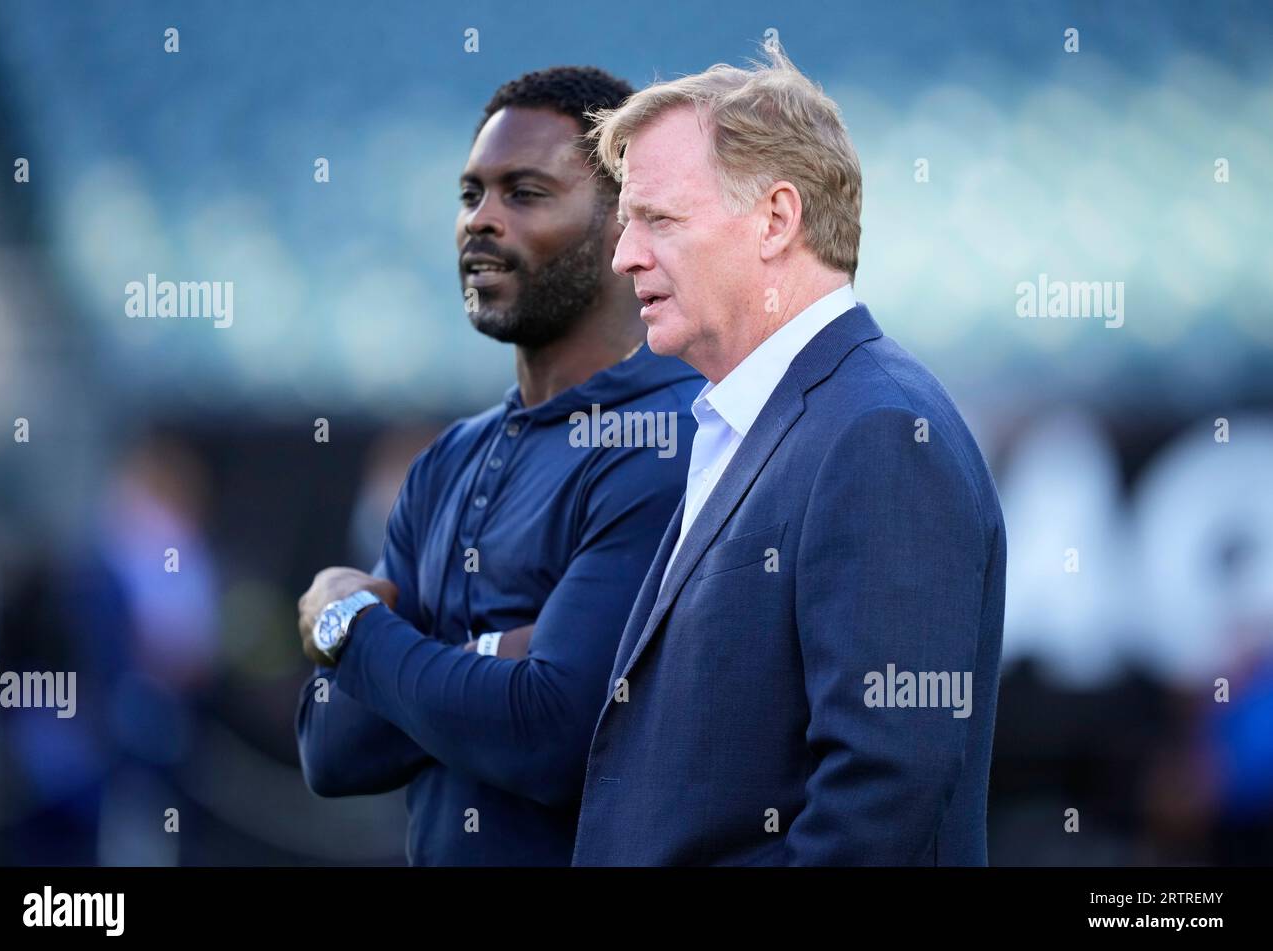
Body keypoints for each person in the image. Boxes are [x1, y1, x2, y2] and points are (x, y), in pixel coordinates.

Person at [571, 47, 1008, 865]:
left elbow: (885, 790)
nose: (624, 253)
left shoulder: (878, 434)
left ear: (776, 219)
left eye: (659, 219)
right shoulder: (765, 422)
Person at [294, 66, 701, 866]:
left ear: (629, 221)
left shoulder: (674, 435)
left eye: (524, 192)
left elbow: (550, 734)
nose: (481, 221)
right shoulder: (448, 459)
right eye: (469, 194)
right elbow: (332, 752)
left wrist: (351, 629)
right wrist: (490, 658)